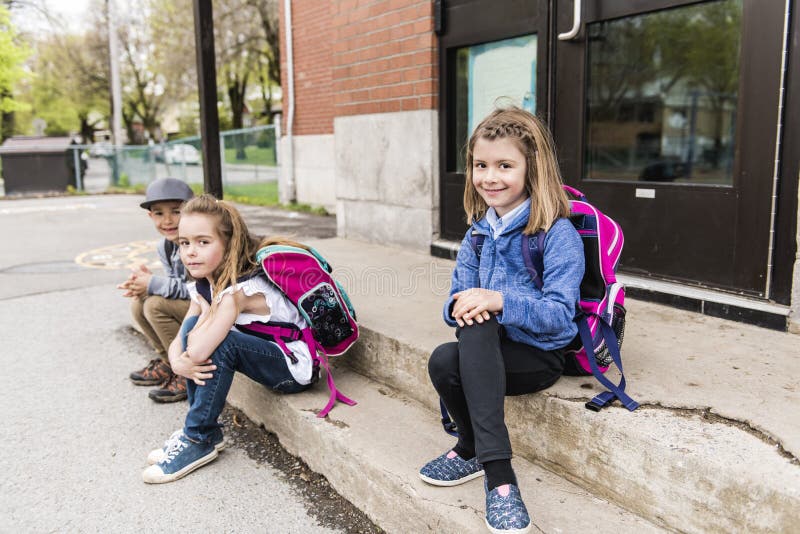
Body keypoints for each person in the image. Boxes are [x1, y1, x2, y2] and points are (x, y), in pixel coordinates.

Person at [418, 107, 584, 534]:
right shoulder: (476, 234)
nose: (490, 177)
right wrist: (461, 305)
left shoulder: (556, 233)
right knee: (443, 359)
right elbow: (455, 299)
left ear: (532, 169)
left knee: (481, 322)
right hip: (485, 350)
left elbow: (561, 316)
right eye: (481, 165)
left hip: (538, 354)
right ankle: (471, 447)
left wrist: (498, 301)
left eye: (505, 166)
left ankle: (499, 475)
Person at [141, 195, 317, 484]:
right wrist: (176, 361)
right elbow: (183, 338)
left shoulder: (238, 292)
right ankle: (202, 431)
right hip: (262, 354)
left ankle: (198, 437)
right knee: (196, 331)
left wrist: (190, 351)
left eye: (203, 242)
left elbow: (198, 351)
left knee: (220, 341)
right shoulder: (205, 283)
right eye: (185, 243)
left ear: (228, 243)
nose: (191, 253)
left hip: (292, 368)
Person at [118, 178, 194, 403]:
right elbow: (174, 284)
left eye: (176, 211)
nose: (168, 220)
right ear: (150, 216)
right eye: (159, 213)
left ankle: (185, 370)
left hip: (214, 308)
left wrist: (152, 283)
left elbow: (198, 290)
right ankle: (168, 361)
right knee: (141, 302)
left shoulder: (195, 243)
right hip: (193, 307)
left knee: (155, 304)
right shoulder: (166, 245)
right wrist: (142, 284)